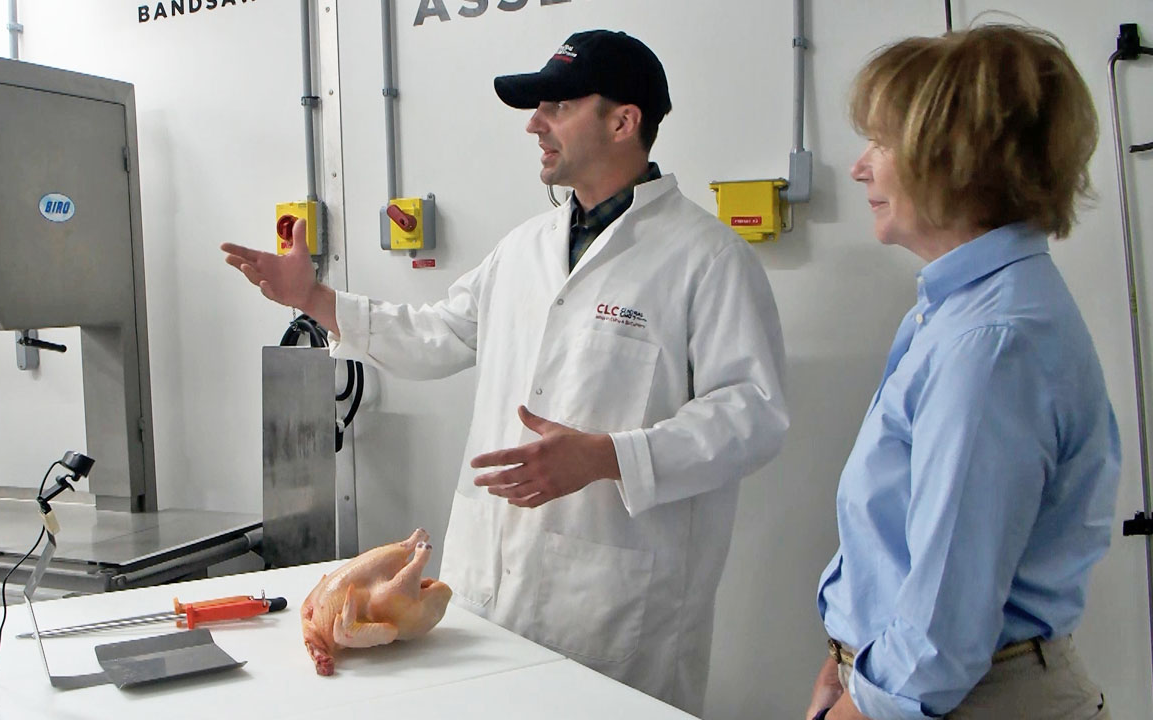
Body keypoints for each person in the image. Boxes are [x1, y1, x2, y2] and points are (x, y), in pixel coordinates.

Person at [224, 29, 787, 715]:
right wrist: (315, 299)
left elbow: (752, 416)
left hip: (615, 609)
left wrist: (612, 457)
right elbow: (438, 335)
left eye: (555, 106)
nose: (534, 124)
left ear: (622, 120)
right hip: (490, 588)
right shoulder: (525, 247)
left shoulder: (708, 258)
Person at [806, 25, 1119, 720]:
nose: (859, 168)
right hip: (911, 684)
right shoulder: (957, 311)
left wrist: (866, 702)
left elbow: (947, 614)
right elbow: (903, 557)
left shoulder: (992, 343)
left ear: (956, 158)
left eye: (882, 143)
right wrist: (844, 661)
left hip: (965, 699)